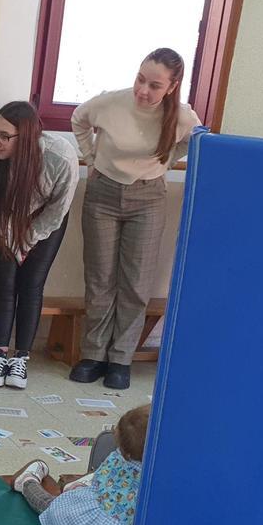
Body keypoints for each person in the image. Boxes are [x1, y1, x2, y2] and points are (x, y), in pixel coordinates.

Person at [69, 48, 201, 390]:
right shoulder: (111, 102)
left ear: (171, 88)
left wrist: (167, 162)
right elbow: (78, 119)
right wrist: (90, 158)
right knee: (99, 278)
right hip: (103, 192)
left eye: (154, 85)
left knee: (136, 282)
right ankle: (93, 354)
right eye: (140, 80)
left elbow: (194, 141)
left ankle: (120, 359)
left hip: (148, 198)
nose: (143, 90)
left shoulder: (183, 117)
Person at [0, 101, 80, 389]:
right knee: (5, 283)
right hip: (4, 217)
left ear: (28, 137)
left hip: (45, 219)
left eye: (4, 136)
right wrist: (11, 241)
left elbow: (58, 210)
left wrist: (29, 240)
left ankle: (20, 359)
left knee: (31, 284)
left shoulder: (60, 157)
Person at [4, 404, 150, 525]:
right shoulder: (162, 483)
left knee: (54, 505)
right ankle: (27, 481)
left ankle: (29, 483)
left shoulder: (120, 456)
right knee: (51, 504)